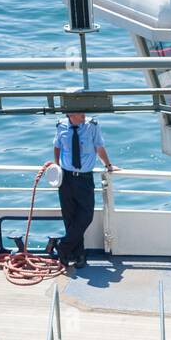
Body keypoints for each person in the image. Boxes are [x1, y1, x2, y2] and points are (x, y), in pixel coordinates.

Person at [53, 111, 113, 267]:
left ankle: (62, 246)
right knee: (70, 217)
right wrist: (57, 167)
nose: (84, 115)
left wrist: (108, 165)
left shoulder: (92, 126)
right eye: (80, 113)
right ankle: (77, 254)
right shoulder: (61, 126)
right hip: (66, 178)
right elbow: (57, 146)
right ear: (70, 114)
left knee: (86, 216)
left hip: (85, 178)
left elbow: (99, 147)